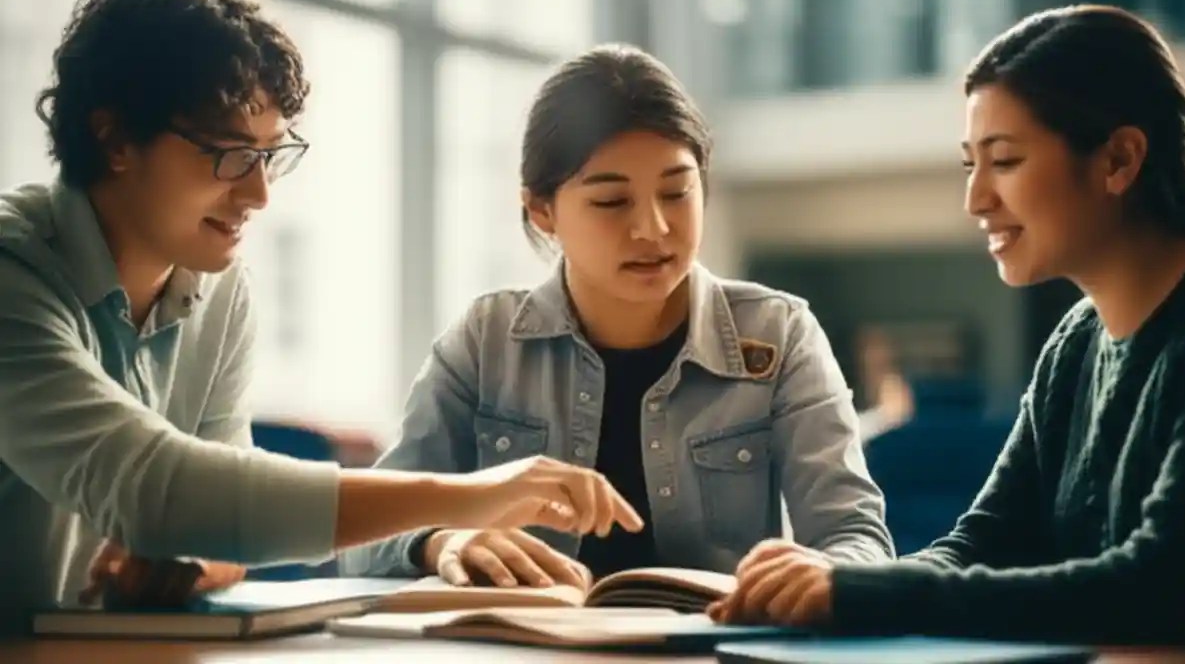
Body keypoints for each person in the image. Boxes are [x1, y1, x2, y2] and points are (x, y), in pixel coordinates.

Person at [0, 0, 640, 635]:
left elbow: (219, 512)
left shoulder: (219, 289)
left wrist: (202, 555)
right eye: (228, 156)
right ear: (115, 138)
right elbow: (156, 486)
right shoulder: (15, 274)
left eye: (271, 157)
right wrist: (474, 496)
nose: (258, 196)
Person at [710, 4, 1185, 645]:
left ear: (1119, 159)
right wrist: (831, 583)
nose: (976, 199)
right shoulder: (1075, 344)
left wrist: (874, 593)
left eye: (1004, 161)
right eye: (969, 165)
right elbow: (982, 542)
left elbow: (1160, 584)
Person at [340, 44, 893, 589]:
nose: (653, 229)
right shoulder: (486, 342)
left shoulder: (778, 335)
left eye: (676, 193)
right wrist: (441, 542)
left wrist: (825, 572)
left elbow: (857, 534)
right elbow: (362, 539)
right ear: (541, 209)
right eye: (611, 202)